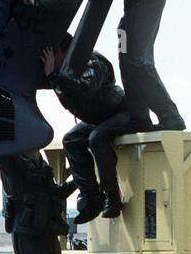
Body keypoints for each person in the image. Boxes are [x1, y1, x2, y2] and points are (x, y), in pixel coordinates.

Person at [22, 0, 185, 132]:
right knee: (127, 60)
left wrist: (38, 2)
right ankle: (139, 118)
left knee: (137, 60)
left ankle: (171, 117)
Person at [42, 39, 130, 221]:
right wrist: (55, 78)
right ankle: (91, 197)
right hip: (100, 116)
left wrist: (53, 77)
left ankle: (112, 197)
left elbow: (86, 91)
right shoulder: (65, 72)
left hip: (121, 112)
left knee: (97, 138)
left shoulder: (90, 60)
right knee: (71, 140)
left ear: (59, 51)